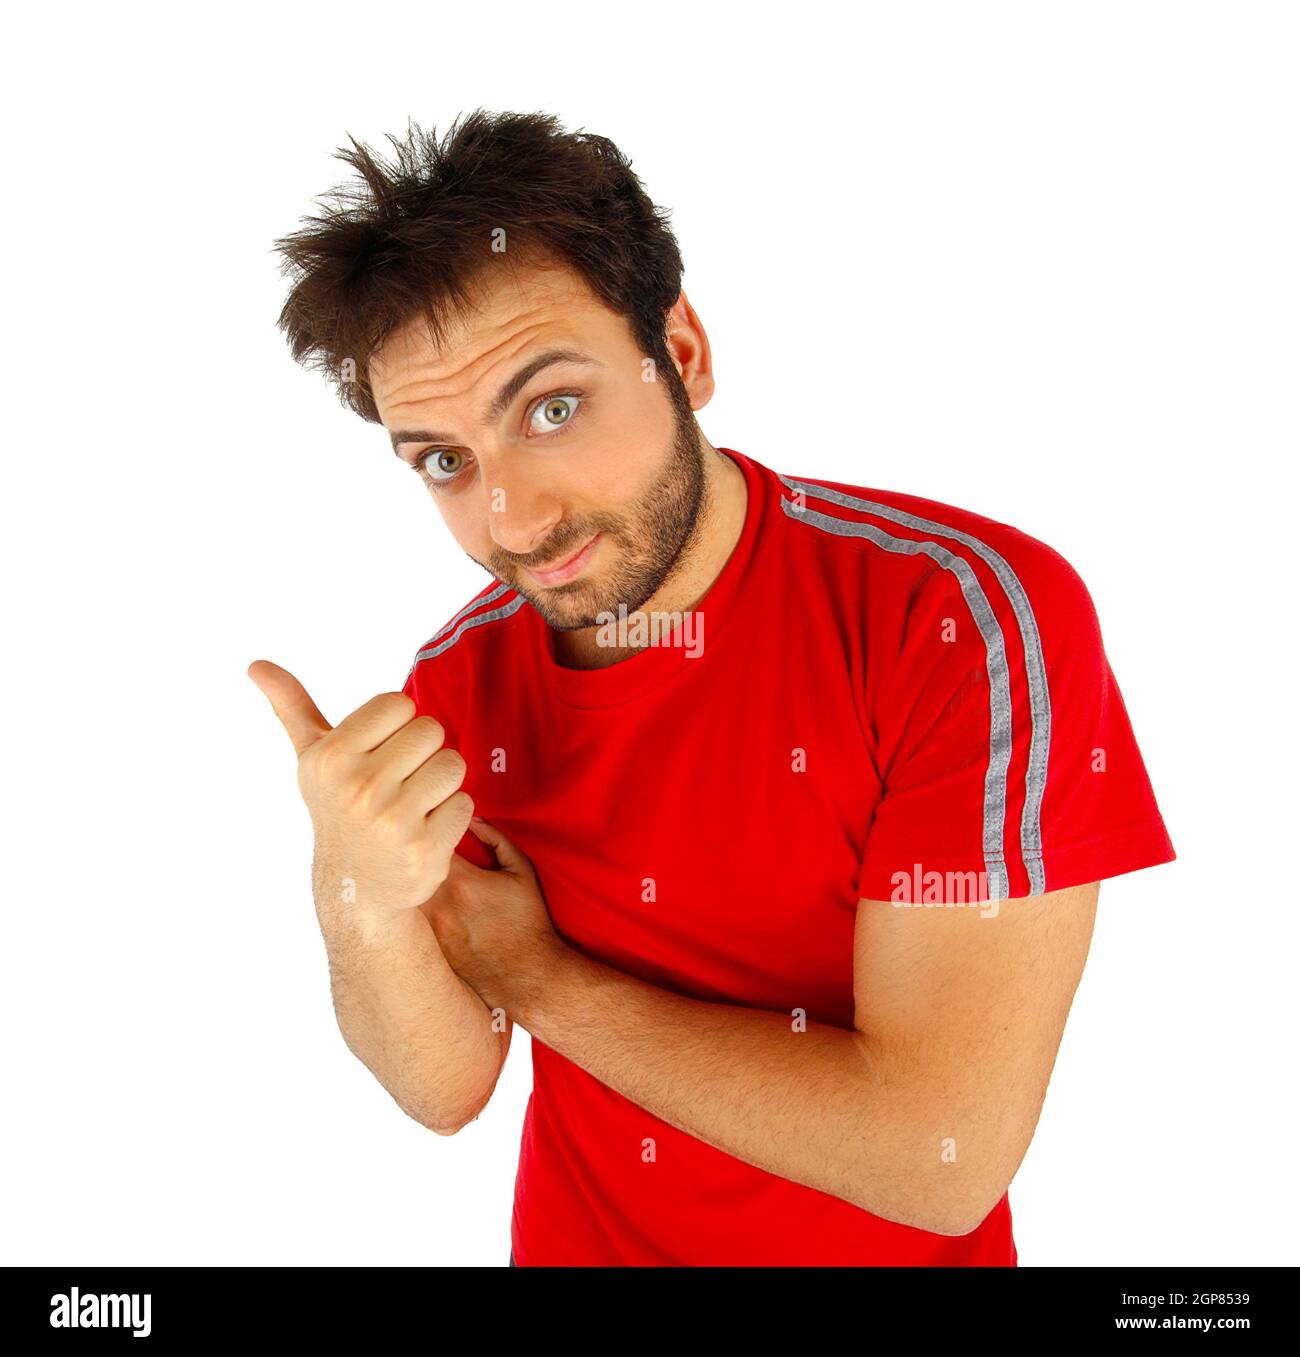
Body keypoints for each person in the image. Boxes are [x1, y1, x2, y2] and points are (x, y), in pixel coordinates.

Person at [249, 110, 1175, 1266]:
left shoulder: (958, 616)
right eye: (444, 459)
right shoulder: (459, 675)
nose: (515, 521)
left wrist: (540, 978)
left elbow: (938, 1156)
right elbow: (443, 1091)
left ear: (679, 352)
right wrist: (356, 885)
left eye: (552, 407)